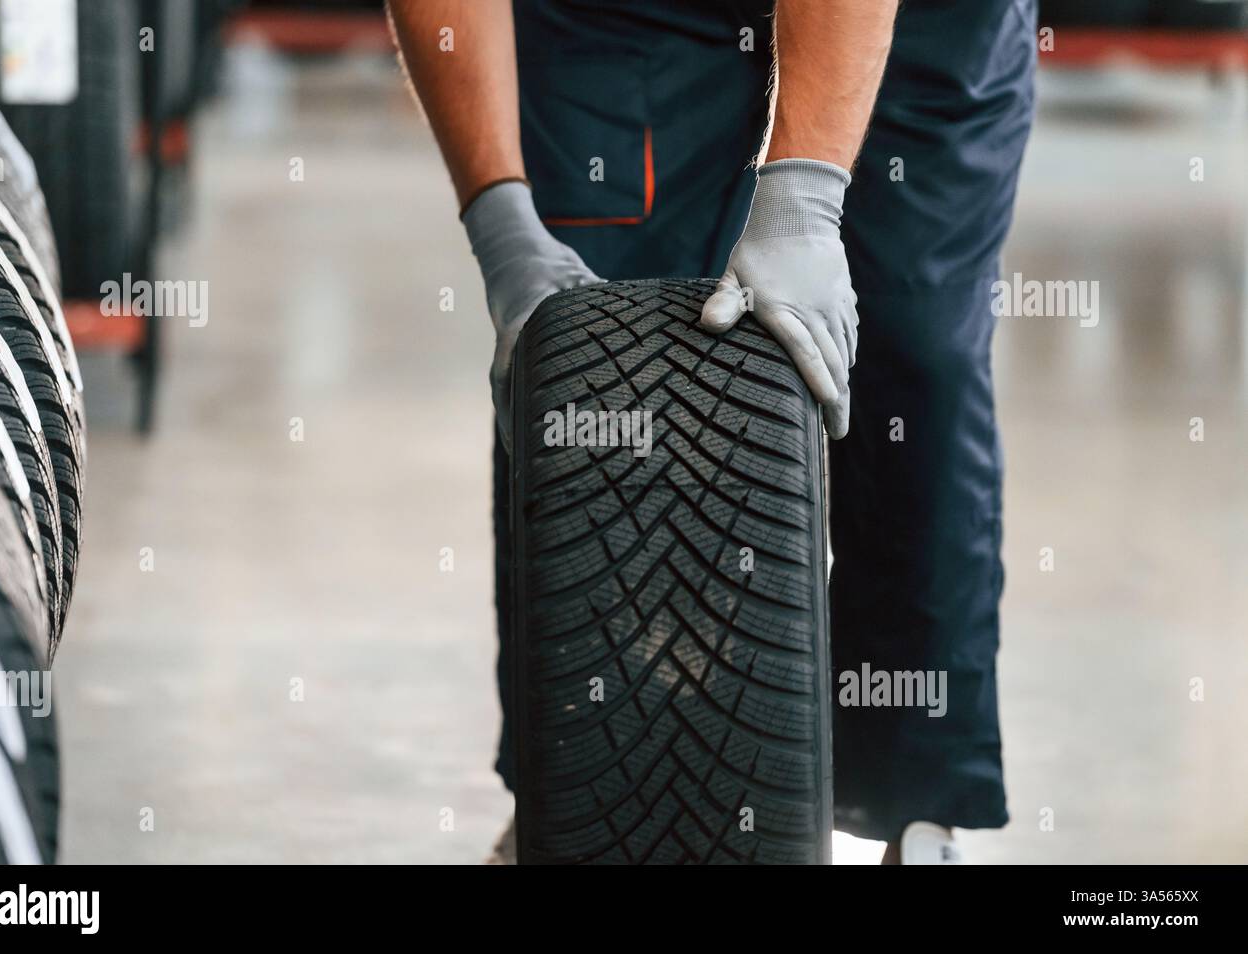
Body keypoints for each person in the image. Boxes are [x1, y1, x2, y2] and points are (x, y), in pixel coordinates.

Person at [388, 0, 1037, 865]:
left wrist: (805, 196)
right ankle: (571, 790)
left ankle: (916, 803)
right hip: (626, 20)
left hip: (927, 23)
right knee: (593, 369)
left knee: (916, 361)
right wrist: (501, 225)